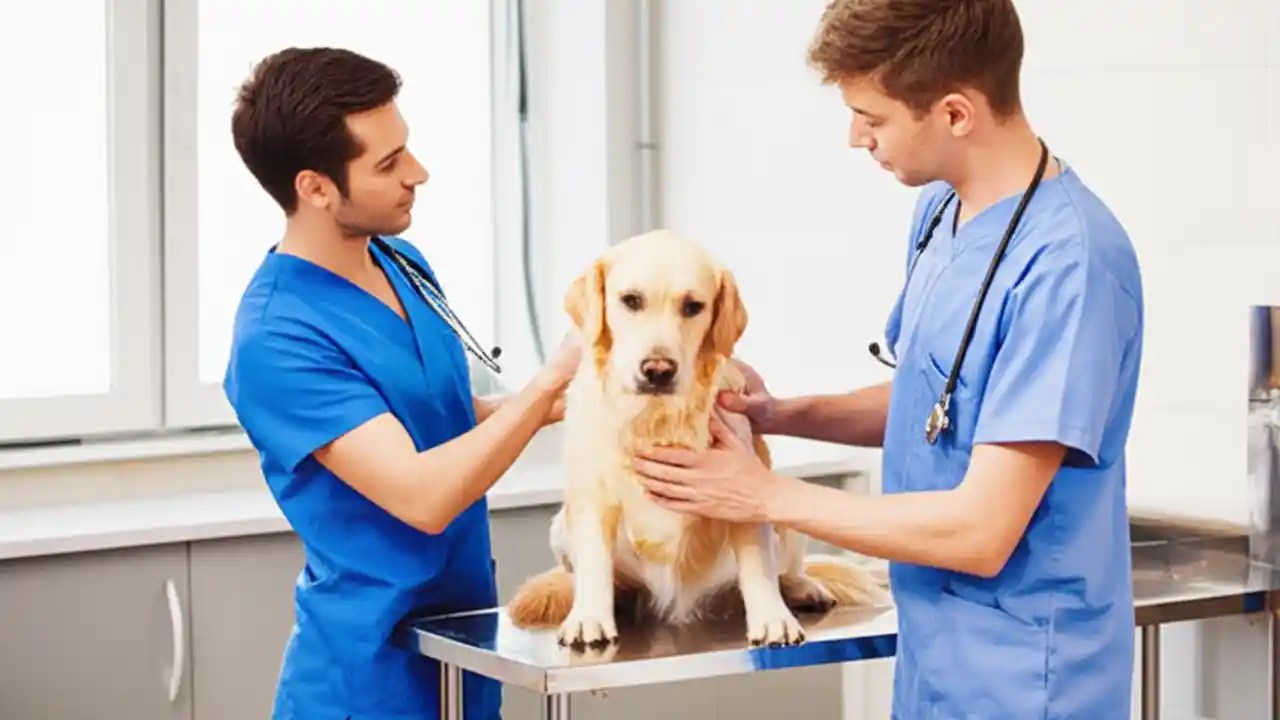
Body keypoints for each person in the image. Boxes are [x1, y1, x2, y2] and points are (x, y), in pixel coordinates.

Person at [633, 1, 1143, 717]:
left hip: (1031, 679)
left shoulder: (1071, 266)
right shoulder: (941, 211)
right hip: (935, 661)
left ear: (956, 114)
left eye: (871, 118)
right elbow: (936, 402)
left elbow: (981, 530)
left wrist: (763, 496)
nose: (854, 137)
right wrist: (781, 414)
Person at [221, 47, 580, 720]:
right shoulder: (277, 336)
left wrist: (588, 396)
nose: (418, 173)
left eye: (406, 148)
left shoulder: (400, 260)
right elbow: (423, 494)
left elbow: (442, 417)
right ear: (315, 188)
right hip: (371, 677)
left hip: (464, 650)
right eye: (387, 164)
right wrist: (551, 376)